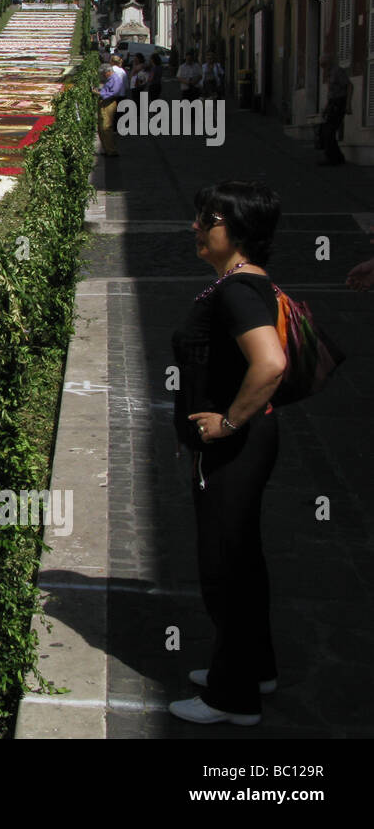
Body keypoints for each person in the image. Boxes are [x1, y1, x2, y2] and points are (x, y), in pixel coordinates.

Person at [169, 180, 287, 726]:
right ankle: (254, 667)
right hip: (245, 445)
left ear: (237, 230)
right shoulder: (244, 282)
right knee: (242, 561)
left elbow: (271, 363)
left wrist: (227, 423)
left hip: (236, 447)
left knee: (225, 568)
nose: (197, 227)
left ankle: (231, 697)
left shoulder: (238, 291)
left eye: (208, 219)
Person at [317, 56, 350, 166]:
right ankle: (337, 158)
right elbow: (331, 93)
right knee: (327, 132)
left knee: (329, 131)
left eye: (324, 65)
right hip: (332, 104)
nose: (322, 68)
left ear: (329, 63)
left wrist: (348, 105)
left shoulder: (337, 71)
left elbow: (350, 86)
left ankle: (334, 158)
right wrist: (326, 108)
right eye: (321, 66)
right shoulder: (329, 73)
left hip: (339, 103)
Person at [96, 58, 125, 157]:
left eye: (104, 74)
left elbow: (114, 92)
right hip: (104, 102)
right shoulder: (110, 79)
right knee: (101, 127)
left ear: (108, 71)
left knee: (106, 127)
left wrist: (100, 94)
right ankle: (106, 148)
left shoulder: (115, 79)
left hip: (109, 103)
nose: (103, 76)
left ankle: (111, 150)